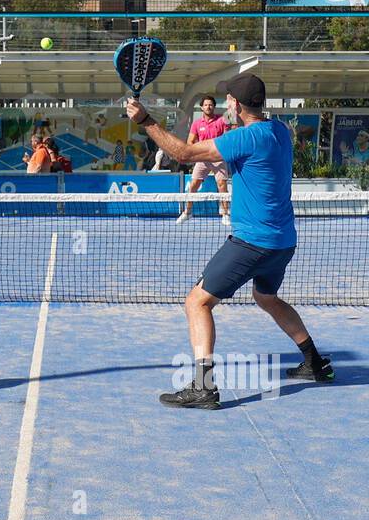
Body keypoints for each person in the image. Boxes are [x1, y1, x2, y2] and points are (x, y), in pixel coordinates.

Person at [125, 74, 333, 410]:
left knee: (197, 302)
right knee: (266, 297)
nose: (225, 105)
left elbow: (183, 153)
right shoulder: (280, 131)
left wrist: (145, 120)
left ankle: (204, 387)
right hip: (283, 241)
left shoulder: (244, 138)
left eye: (228, 100)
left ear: (235, 104)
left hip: (253, 241)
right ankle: (315, 362)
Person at [177, 96, 231, 226]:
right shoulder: (196, 124)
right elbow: (190, 141)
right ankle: (187, 212)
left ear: (214, 106)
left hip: (218, 158)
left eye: (211, 105)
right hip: (202, 158)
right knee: (193, 185)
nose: (208, 107)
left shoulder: (221, 121)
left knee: (222, 184)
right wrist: (199, 150)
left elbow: (227, 137)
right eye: (206, 105)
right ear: (202, 107)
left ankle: (225, 213)